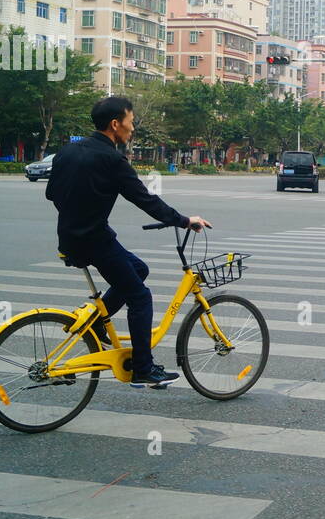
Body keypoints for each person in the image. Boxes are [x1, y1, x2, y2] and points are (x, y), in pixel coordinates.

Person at [45, 96, 210, 389]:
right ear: (115, 124)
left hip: (72, 237)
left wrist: (81, 214)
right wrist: (185, 220)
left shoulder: (67, 151)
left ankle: (96, 324)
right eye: (130, 123)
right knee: (140, 297)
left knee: (139, 270)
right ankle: (143, 369)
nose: (132, 129)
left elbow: (52, 194)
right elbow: (145, 200)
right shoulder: (112, 159)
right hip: (95, 241)